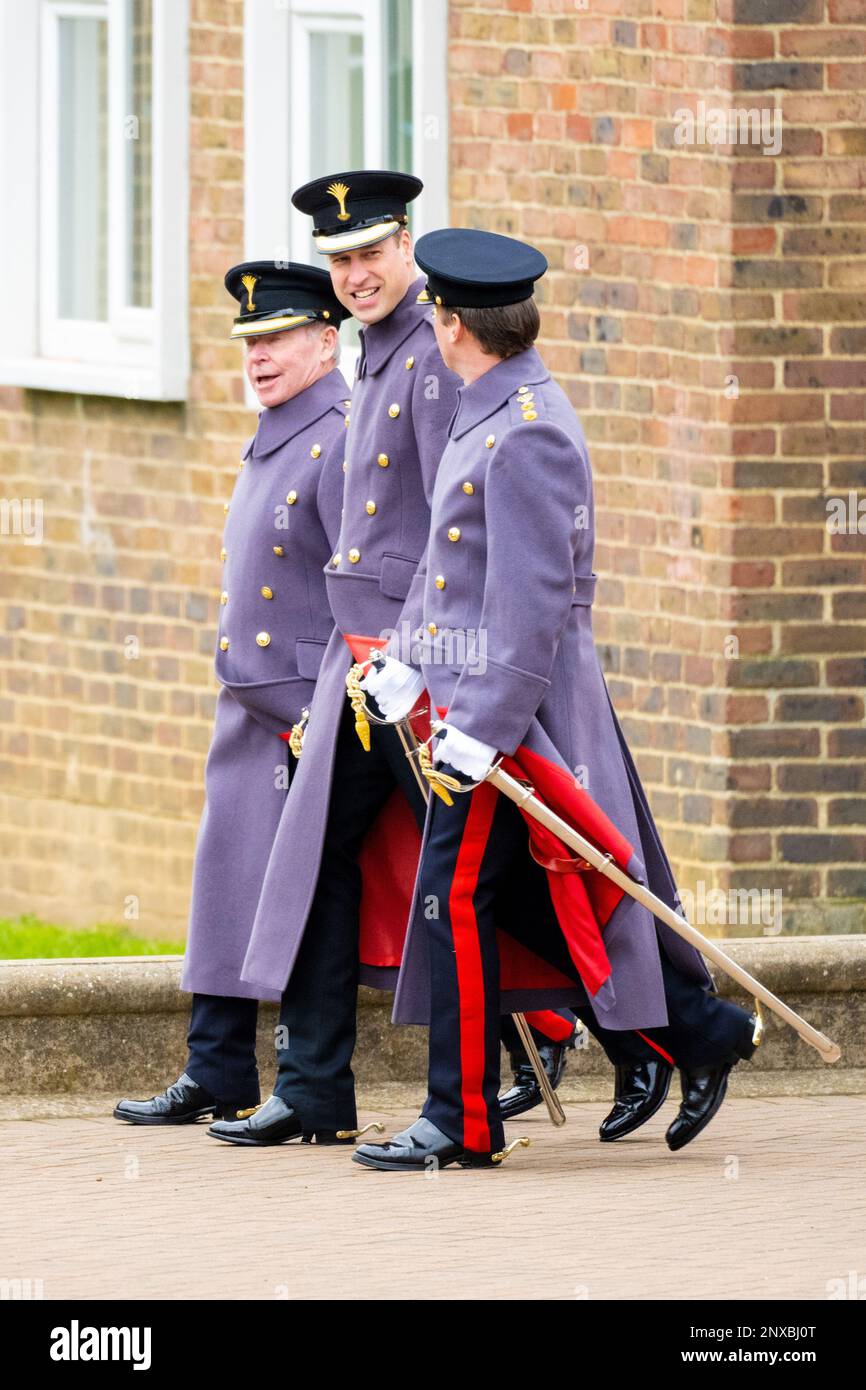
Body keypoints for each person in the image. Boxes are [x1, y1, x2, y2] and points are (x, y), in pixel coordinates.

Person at [354, 228, 760, 1172]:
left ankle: (460, 1122)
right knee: (524, 898)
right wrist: (406, 659)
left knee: (457, 902)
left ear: (453, 324)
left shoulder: (530, 424)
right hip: (464, 703)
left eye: (437, 317)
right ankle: (693, 1032)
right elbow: (449, 565)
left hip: (510, 716)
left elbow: (530, 606)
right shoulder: (485, 400)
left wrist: (482, 730)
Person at [213, 172, 578, 1146]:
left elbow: (458, 548)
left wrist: (435, 676)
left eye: (368, 253)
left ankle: (633, 1022)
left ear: (407, 251)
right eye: (339, 260)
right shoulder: (382, 353)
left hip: (434, 669)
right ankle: (317, 1082)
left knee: (476, 878)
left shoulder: (439, 362)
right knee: (328, 856)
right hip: (374, 661)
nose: (353, 273)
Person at [113, 262, 350, 1129]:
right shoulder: (279, 427)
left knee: (296, 896)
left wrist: (324, 704)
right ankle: (216, 1069)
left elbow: (362, 587)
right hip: (251, 700)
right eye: (250, 342)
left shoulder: (343, 434)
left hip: (304, 708)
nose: (258, 355)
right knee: (224, 879)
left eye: (278, 338)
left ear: (328, 342)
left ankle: (307, 1089)